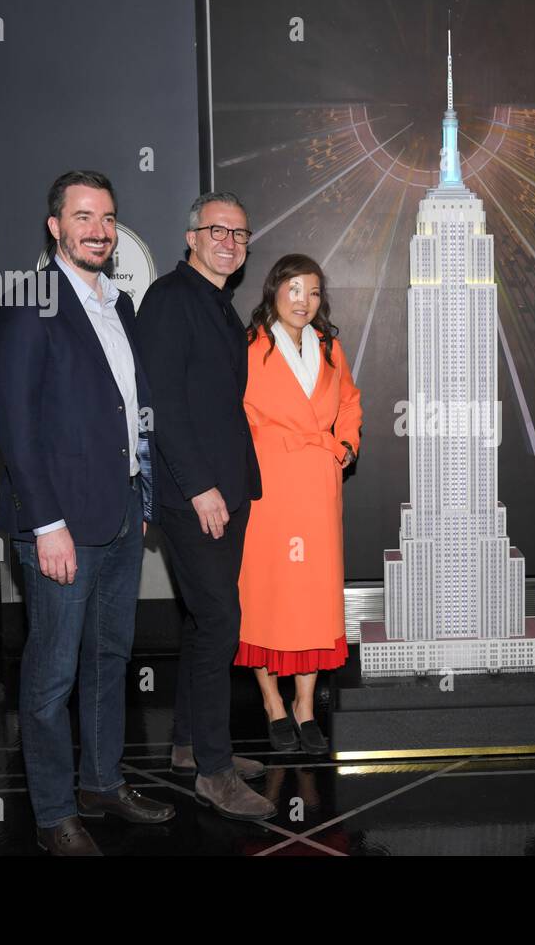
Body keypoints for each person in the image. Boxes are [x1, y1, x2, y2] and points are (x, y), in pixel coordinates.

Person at [0, 170, 173, 856]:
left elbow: (131, 412)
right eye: (83, 217)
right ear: (55, 226)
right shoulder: (27, 304)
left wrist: (142, 495)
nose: (98, 230)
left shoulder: (119, 305)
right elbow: (14, 427)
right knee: (52, 672)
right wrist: (45, 526)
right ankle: (53, 812)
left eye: (107, 219)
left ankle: (100, 783)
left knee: (110, 657)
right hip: (60, 525)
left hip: (122, 512)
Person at [136, 190, 274, 820]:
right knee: (221, 622)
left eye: (240, 234)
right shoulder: (169, 300)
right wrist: (197, 487)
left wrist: (234, 482)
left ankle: (190, 746)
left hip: (226, 491)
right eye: (217, 230)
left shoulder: (218, 304)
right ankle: (215, 774)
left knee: (201, 622)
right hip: (195, 497)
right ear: (191, 237)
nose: (229, 241)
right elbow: (161, 403)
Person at [234, 254, 362, 755]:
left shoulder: (329, 346)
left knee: (312, 594)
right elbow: (232, 413)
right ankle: (272, 703)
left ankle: (307, 706)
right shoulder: (247, 347)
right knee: (268, 592)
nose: (303, 301)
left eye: (312, 292)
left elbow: (350, 400)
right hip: (268, 484)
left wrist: (347, 444)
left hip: (317, 482)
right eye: (293, 289)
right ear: (273, 291)